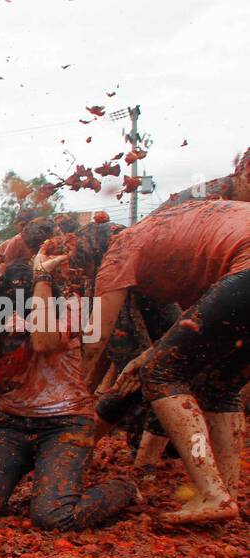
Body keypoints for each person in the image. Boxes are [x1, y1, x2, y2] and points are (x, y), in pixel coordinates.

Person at [0, 239, 139, 530]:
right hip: (8, 423)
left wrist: (43, 279)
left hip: (64, 424)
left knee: (53, 516)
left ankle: (123, 488)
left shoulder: (70, 306)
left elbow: (43, 340)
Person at [88, 198, 250, 523]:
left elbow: (95, 340)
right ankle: (225, 494)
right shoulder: (166, 229)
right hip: (239, 271)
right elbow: (200, 320)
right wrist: (150, 352)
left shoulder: (120, 248)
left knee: (161, 374)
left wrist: (71, 396)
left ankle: (212, 492)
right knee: (221, 385)